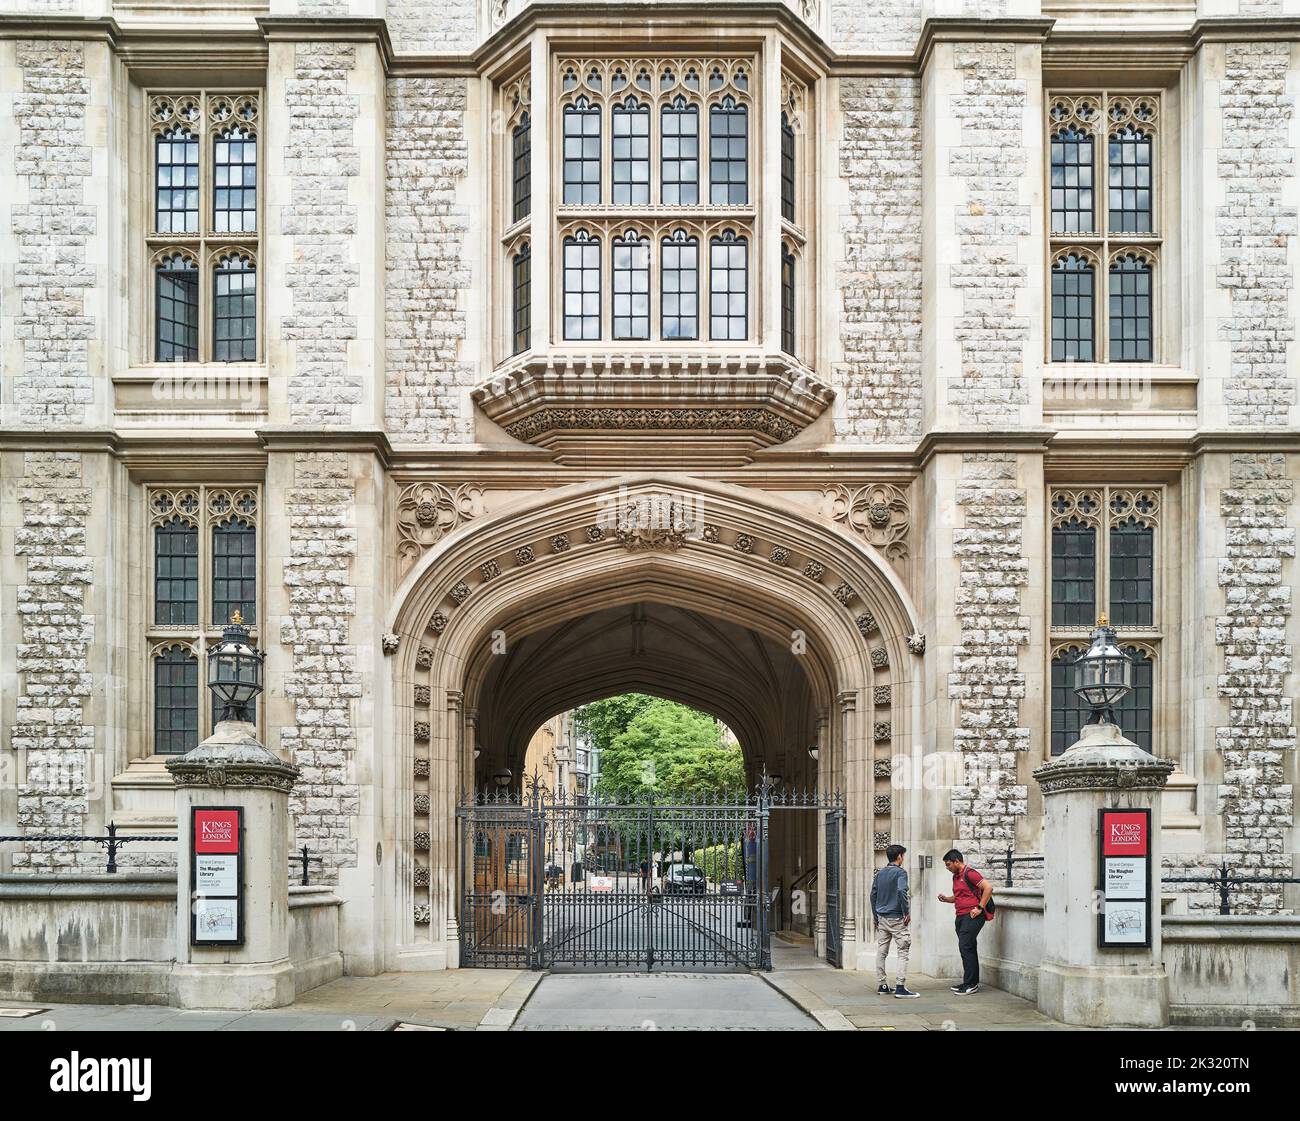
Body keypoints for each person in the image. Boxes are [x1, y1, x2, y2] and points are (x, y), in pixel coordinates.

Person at [937, 848, 992, 995]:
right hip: (960, 916)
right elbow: (960, 896)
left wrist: (979, 907)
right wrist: (947, 899)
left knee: (965, 947)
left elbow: (988, 888)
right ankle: (969, 982)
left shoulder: (970, 873)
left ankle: (971, 984)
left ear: (957, 861)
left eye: (948, 864)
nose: (947, 867)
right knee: (968, 948)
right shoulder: (956, 877)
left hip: (972, 916)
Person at [870, 844, 918, 998]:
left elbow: (873, 895)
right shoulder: (901, 873)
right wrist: (906, 912)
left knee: (882, 951)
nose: (903, 858)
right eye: (903, 855)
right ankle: (900, 986)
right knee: (903, 951)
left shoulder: (880, 874)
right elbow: (901, 891)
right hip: (897, 917)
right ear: (899, 856)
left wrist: (875, 916)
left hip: (882, 918)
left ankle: (882, 985)